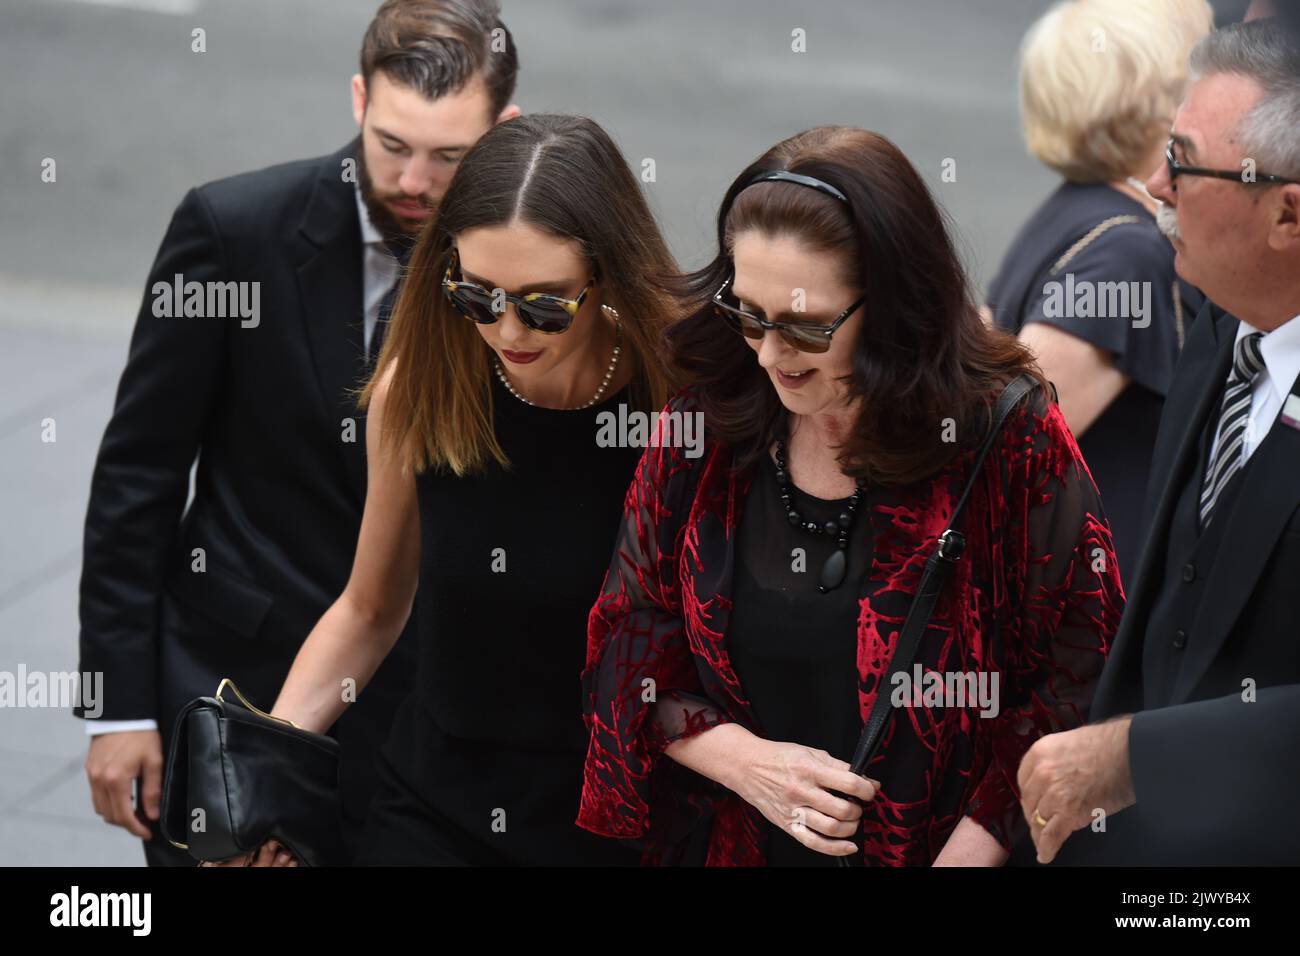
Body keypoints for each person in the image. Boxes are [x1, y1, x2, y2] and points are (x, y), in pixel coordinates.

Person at [577, 126, 1125, 867]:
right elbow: (627, 634)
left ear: (897, 305)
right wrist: (743, 762)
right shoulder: (708, 416)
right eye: (747, 313)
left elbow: (1083, 669)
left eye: (805, 325)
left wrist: (977, 846)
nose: (770, 353)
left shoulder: (1003, 432)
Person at [76, 0, 520, 866]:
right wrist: (119, 708)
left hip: (431, 728)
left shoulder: (526, 262)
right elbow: (138, 475)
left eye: (450, 156)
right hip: (235, 686)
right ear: (359, 98)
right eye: (392, 144)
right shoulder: (231, 230)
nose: (415, 182)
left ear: (503, 129)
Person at [212, 114, 679, 866]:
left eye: (545, 303)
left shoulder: (678, 400)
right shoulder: (425, 385)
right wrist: (266, 773)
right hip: (436, 804)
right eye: (477, 295)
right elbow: (368, 609)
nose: (507, 330)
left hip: (623, 815)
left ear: (611, 272)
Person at [1019, 17, 1300, 866]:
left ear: (1288, 212)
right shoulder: (1220, 322)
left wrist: (1134, 758)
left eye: (1181, 160)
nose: (1153, 184)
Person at [986, 0, 1212, 583]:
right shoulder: (1127, 251)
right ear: (1160, 96)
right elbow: (1007, 445)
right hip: (1096, 611)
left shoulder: (1077, 209)